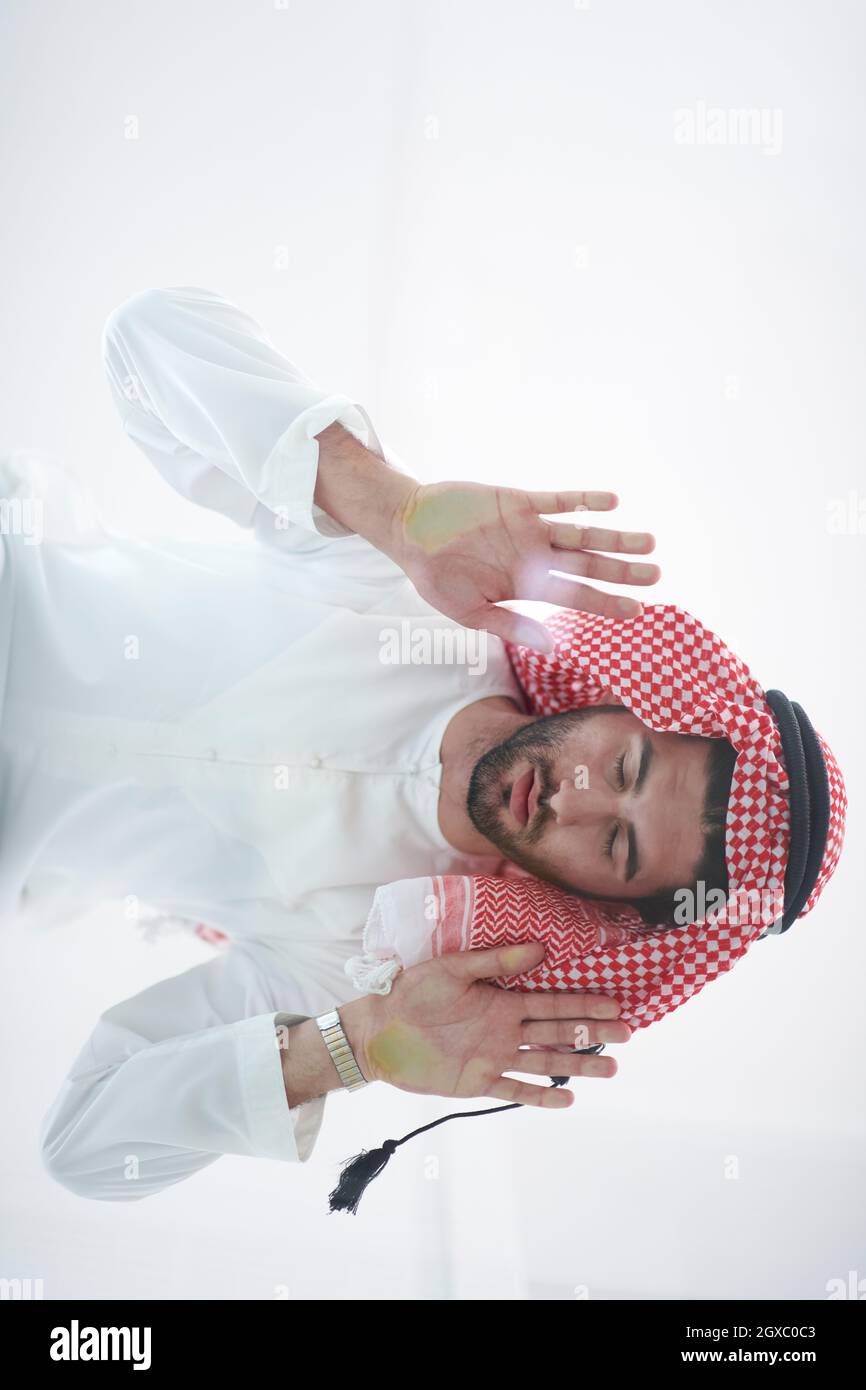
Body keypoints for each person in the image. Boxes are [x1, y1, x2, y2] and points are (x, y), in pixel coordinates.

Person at [0, 288, 802, 1201]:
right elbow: (142, 344)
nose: (576, 800)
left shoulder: (359, 957)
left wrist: (356, 1046)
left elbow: (86, 1148)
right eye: (624, 769)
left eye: (615, 845)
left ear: (594, 900)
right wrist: (390, 508)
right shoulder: (407, 585)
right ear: (622, 707)